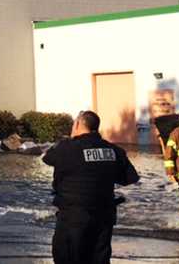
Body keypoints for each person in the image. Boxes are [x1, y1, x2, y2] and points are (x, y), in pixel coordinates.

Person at [42, 110, 139, 263]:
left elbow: (48, 158)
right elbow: (129, 178)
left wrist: (70, 140)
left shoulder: (67, 148)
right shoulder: (113, 150)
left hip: (73, 217)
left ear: (78, 125)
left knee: (68, 258)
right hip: (104, 217)